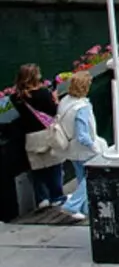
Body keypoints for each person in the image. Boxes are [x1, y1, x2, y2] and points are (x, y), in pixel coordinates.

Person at [11, 64, 65, 208]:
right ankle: (57, 196)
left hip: (31, 136)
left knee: (38, 168)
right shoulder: (43, 93)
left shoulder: (16, 98)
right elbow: (53, 111)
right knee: (54, 166)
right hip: (47, 134)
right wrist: (55, 99)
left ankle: (42, 198)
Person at [57, 71, 105, 222]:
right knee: (92, 177)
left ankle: (85, 207)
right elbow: (83, 135)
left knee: (81, 177)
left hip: (71, 147)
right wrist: (95, 148)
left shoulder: (65, 101)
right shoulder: (81, 107)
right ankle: (72, 205)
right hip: (84, 150)